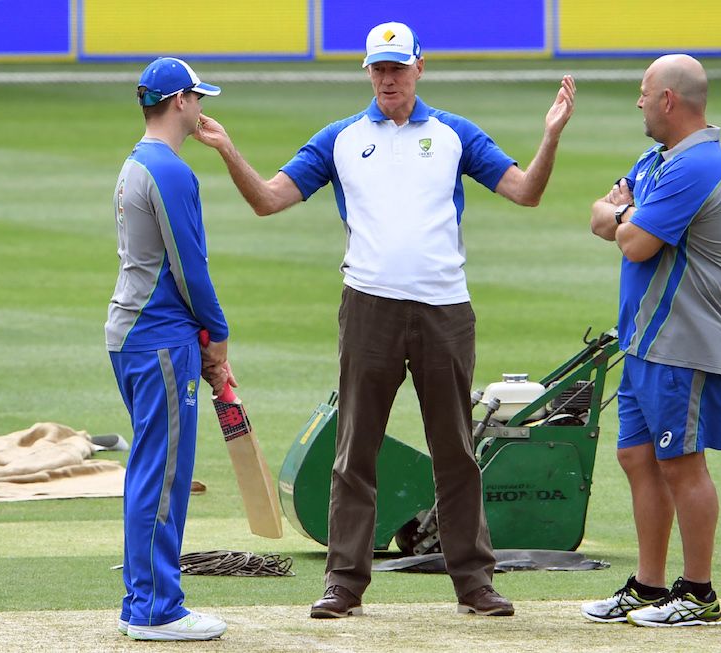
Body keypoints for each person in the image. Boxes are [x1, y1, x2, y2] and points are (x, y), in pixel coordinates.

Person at [195, 21, 576, 619]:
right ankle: (343, 584)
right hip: (369, 306)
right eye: (378, 68)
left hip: (445, 308)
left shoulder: (454, 134)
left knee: (455, 448)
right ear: (367, 71)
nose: (388, 79)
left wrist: (550, 136)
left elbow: (525, 191)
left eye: (397, 67)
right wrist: (227, 149)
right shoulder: (341, 139)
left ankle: (474, 582)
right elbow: (269, 200)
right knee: (355, 448)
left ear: (420, 67)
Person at [581, 54, 721, 627]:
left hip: (683, 341)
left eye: (645, 93)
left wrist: (622, 213)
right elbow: (601, 217)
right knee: (638, 456)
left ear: (669, 100)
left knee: (682, 465)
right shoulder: (659, 160)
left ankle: (699, 592)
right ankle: (648, 588)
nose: (639, 102)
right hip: (646, 342)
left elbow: (632, 243)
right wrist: (624, 213)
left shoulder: (694, 167)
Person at [106, 56, 234, 641]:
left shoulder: (136, 160)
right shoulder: (172, 170)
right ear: (180, 101)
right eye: (198, 98)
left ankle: (144, 600)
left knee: (148, 469)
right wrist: (217, 336)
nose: (202, 107)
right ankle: (157, 607)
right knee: (162, 475)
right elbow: (191, 268)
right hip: (160, 339)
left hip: (132, 334)